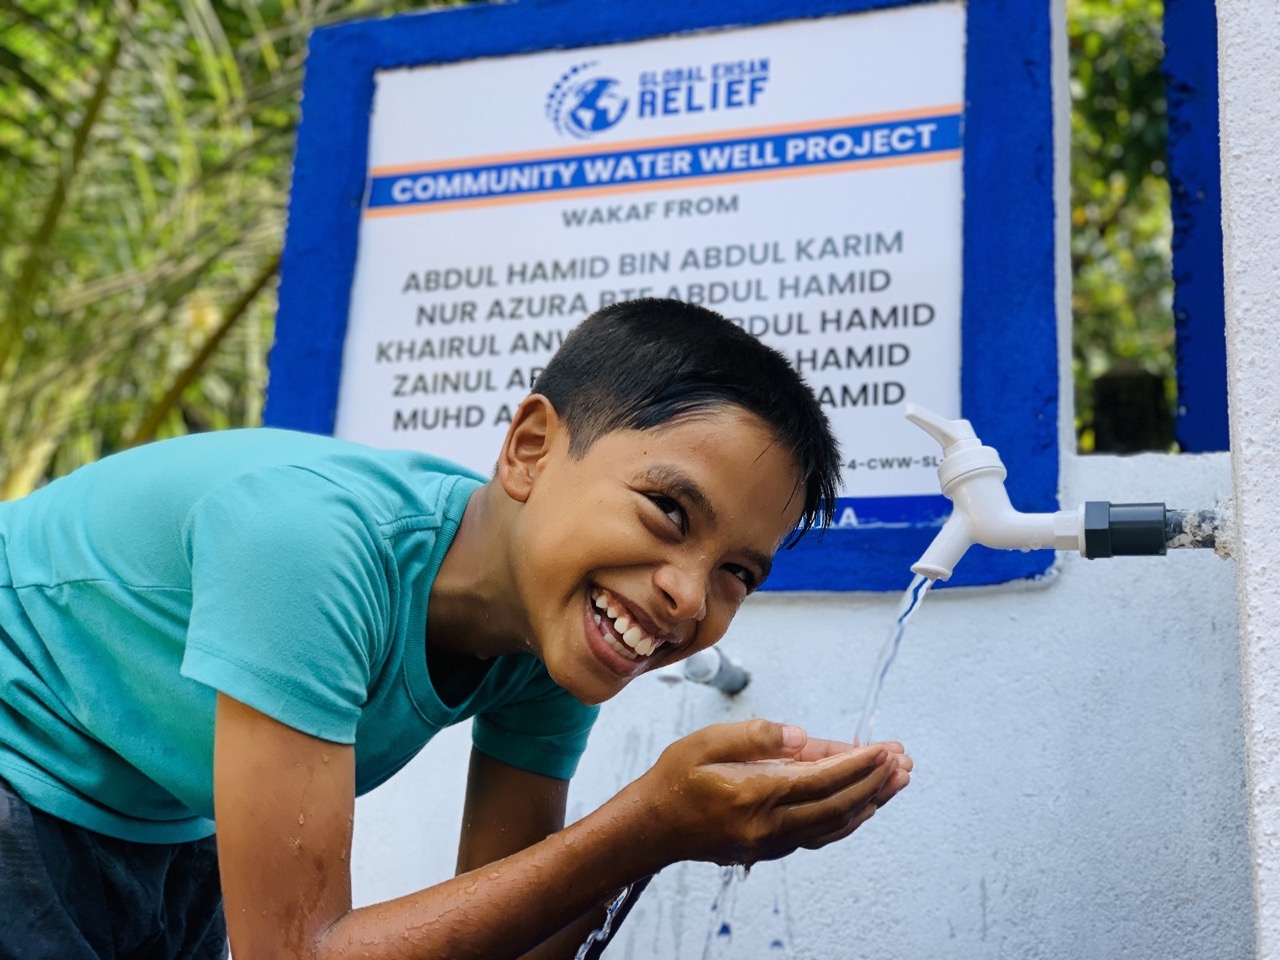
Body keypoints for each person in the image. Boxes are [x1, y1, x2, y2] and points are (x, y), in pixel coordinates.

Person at [0, 298, 912, 959]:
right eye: (669, 510)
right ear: (529, 449)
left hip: (156, 820)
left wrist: (677, 831)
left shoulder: (556, 631)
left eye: (738, 573)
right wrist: (647, 829)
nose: (687, 594)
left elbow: (509, 935)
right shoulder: (308, 546)